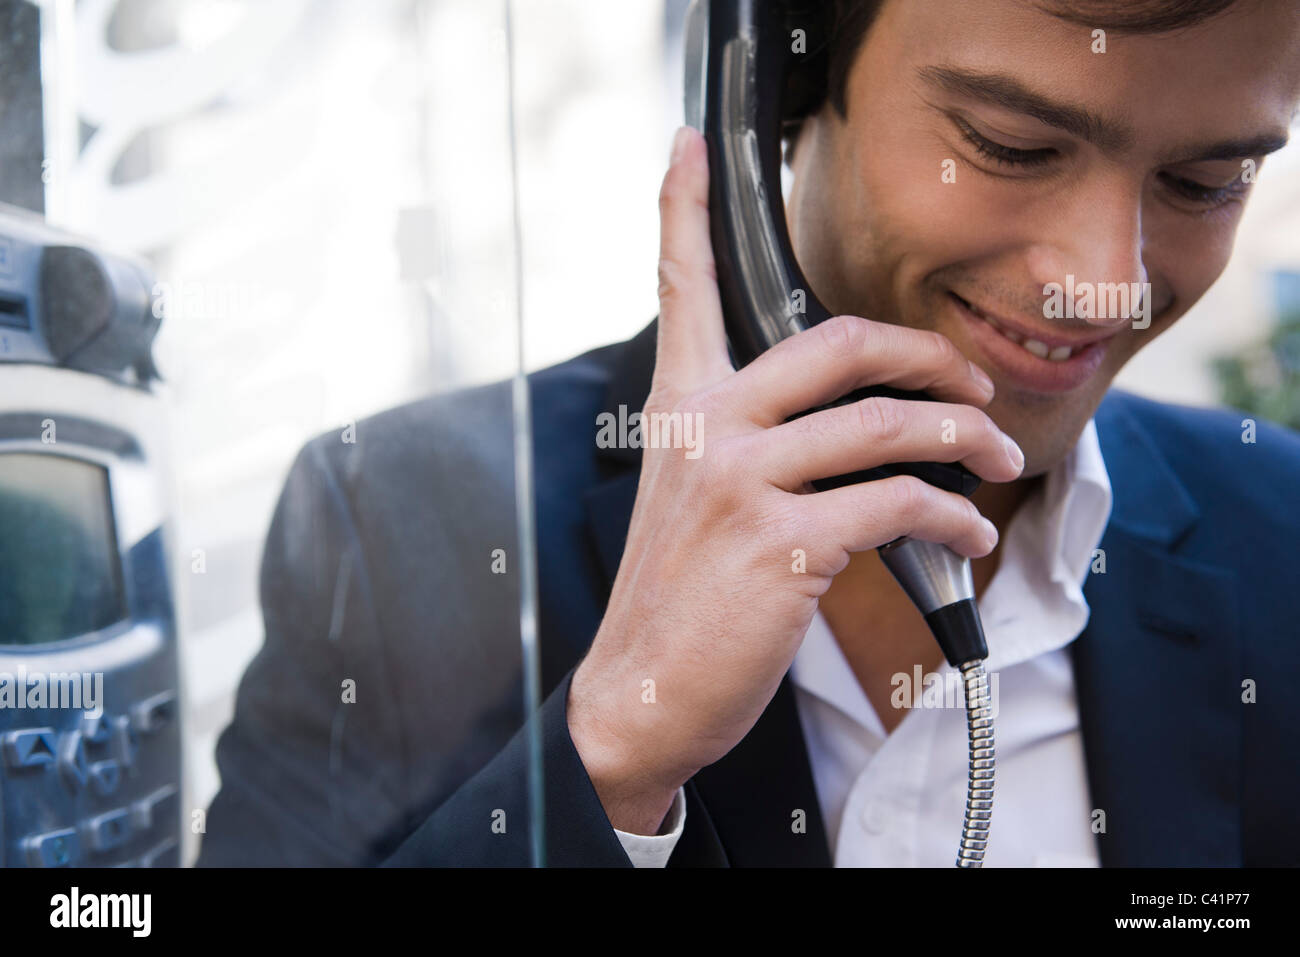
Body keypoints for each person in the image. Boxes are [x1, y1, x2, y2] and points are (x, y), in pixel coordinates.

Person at [197, 0, 1300, 867]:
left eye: (1204, 183)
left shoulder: (1277, 534)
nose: (1106, 283)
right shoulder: (407, 523)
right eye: (1009, 145)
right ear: (777, 85)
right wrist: (612, 760)